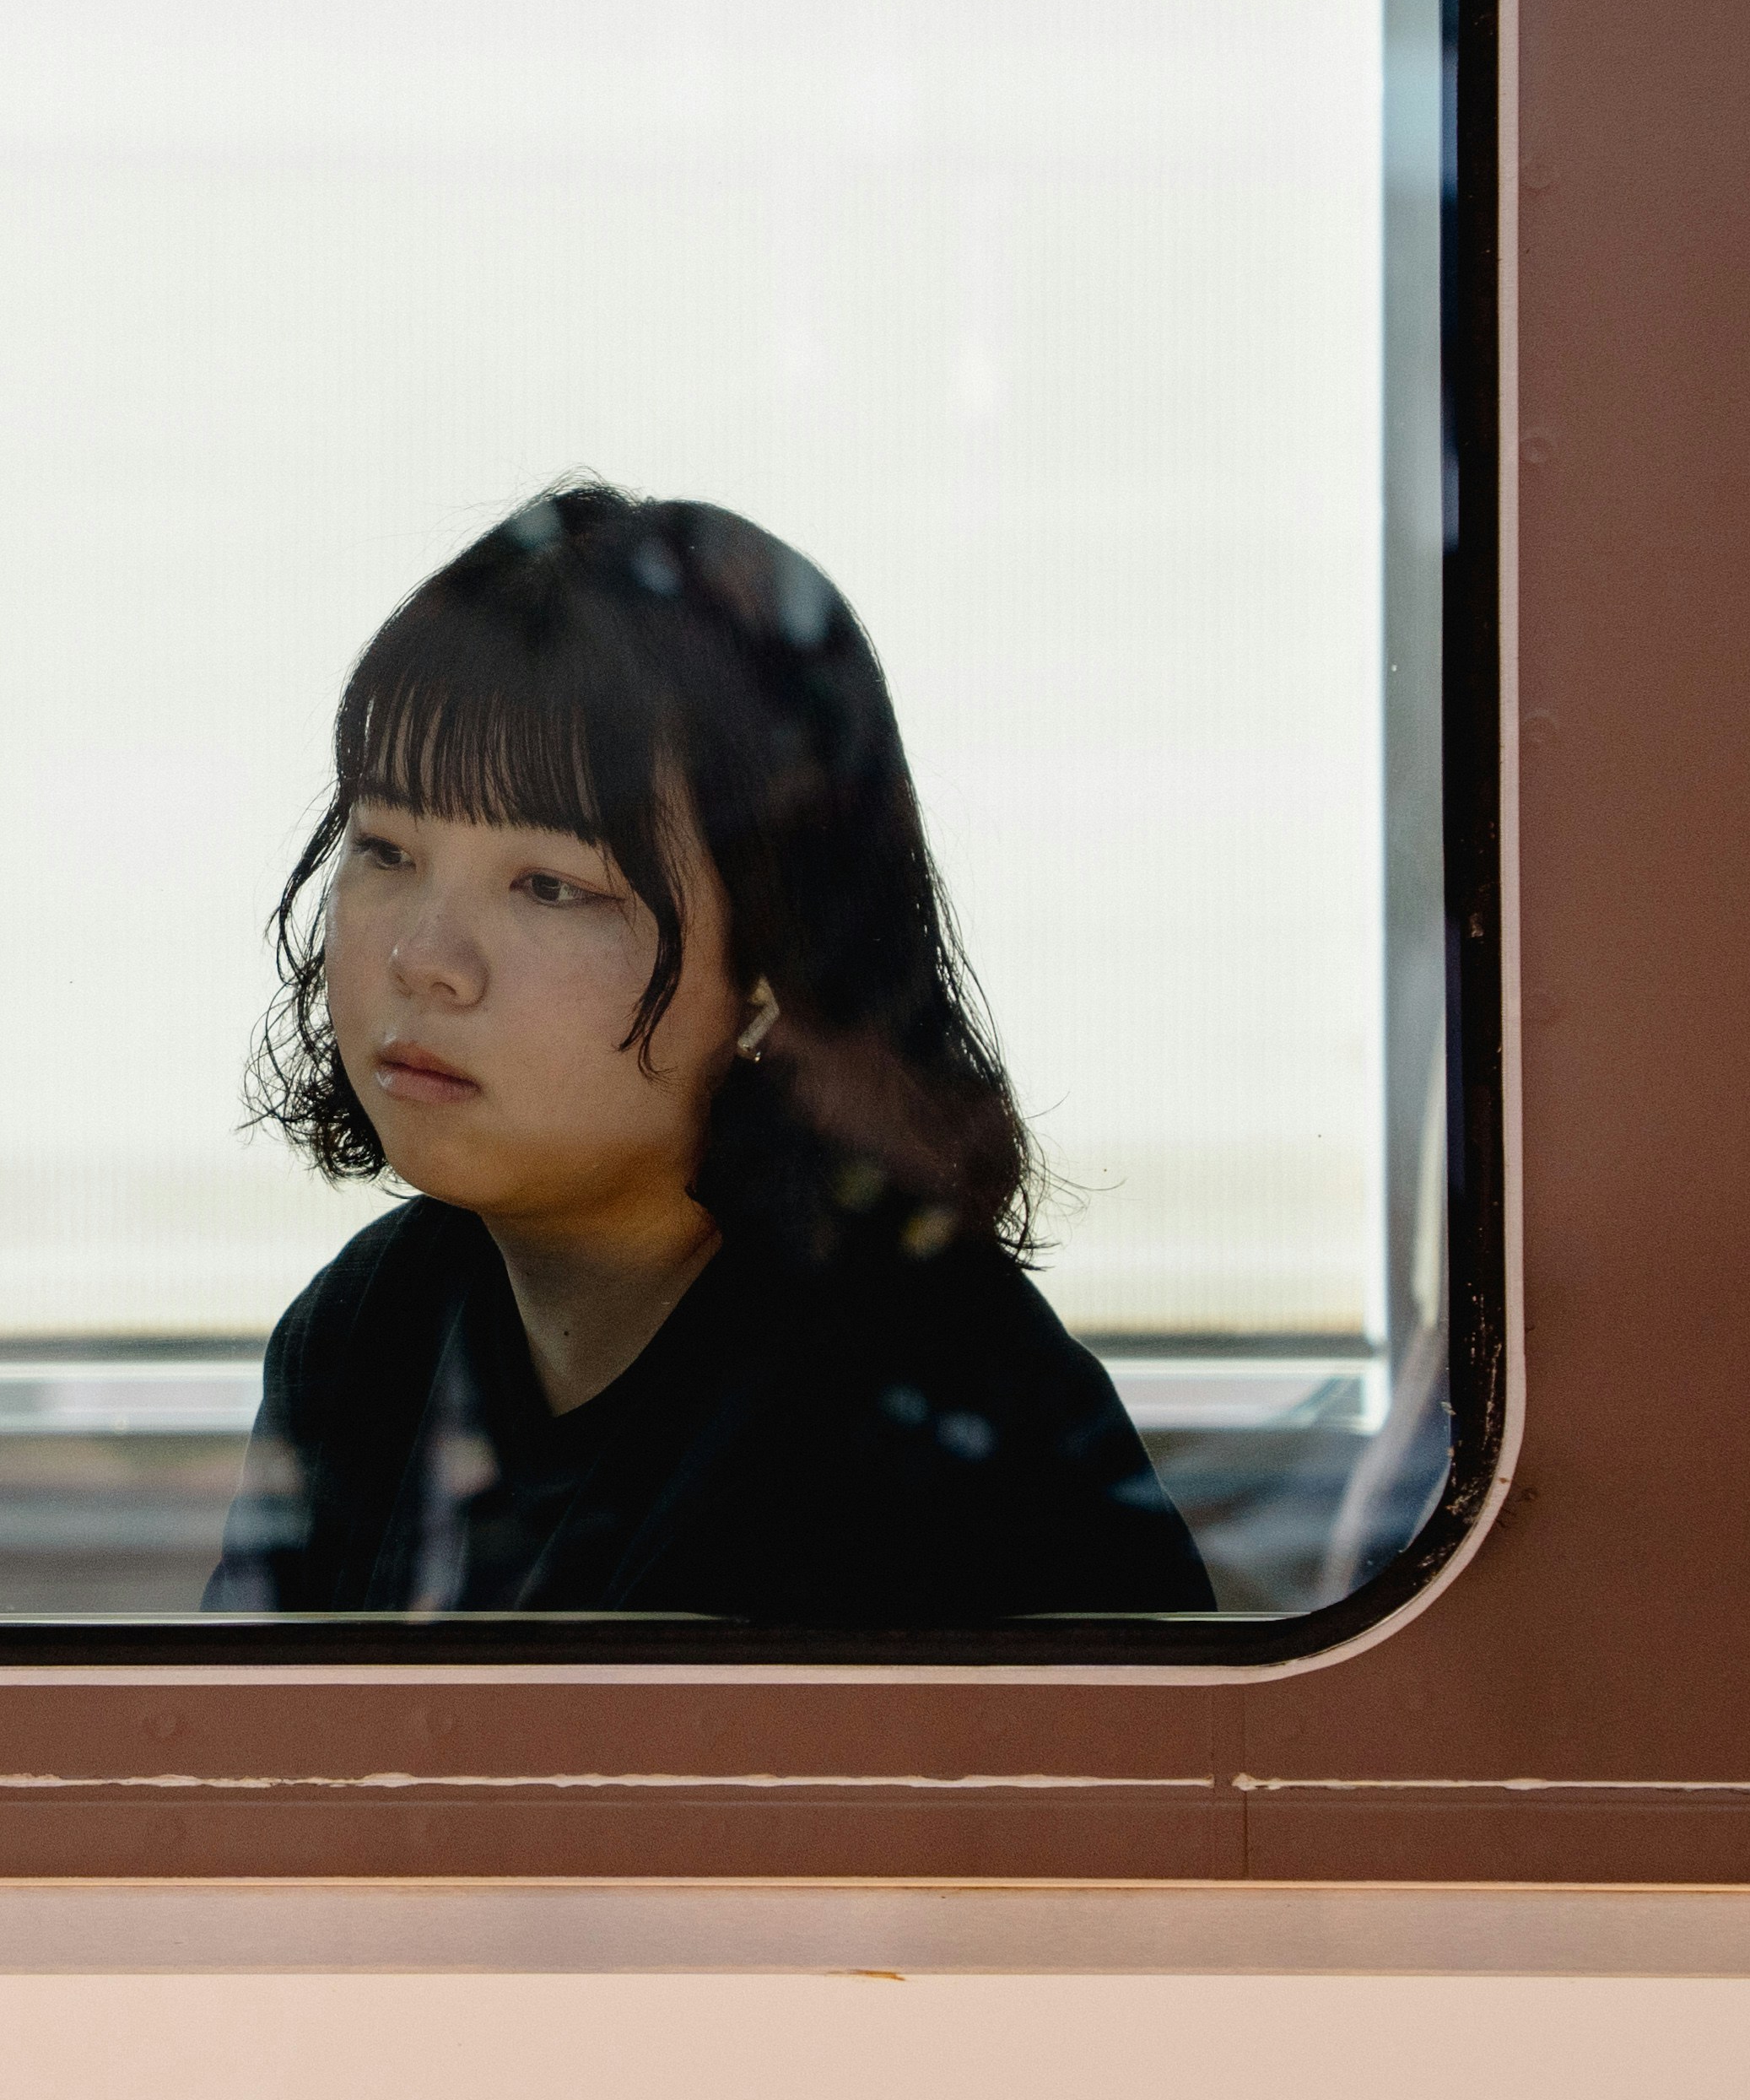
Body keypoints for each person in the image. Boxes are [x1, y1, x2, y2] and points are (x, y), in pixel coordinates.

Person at [208, 483, 1212, 1623]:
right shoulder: (370, 1325)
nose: (423, 958)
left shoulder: (916, 1418)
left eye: (551, 886)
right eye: (386, 849)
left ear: (775, 966)